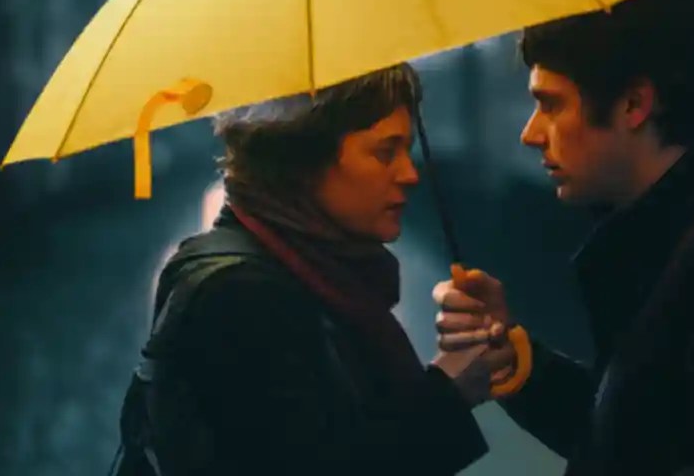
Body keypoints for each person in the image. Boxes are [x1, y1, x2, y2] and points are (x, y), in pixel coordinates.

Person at [433, 0, 694, 475]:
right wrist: (519, 361)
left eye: (551, 104)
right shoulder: (688, 235)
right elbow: (637, 440)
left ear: (633, 105)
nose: (530, 133)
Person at [114, 64, 509, 476]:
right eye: (384, 152)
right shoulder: (240, 297)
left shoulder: (306, 271)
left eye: (407, 151)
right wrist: (448, 391)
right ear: (304, 162)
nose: (410, 175)